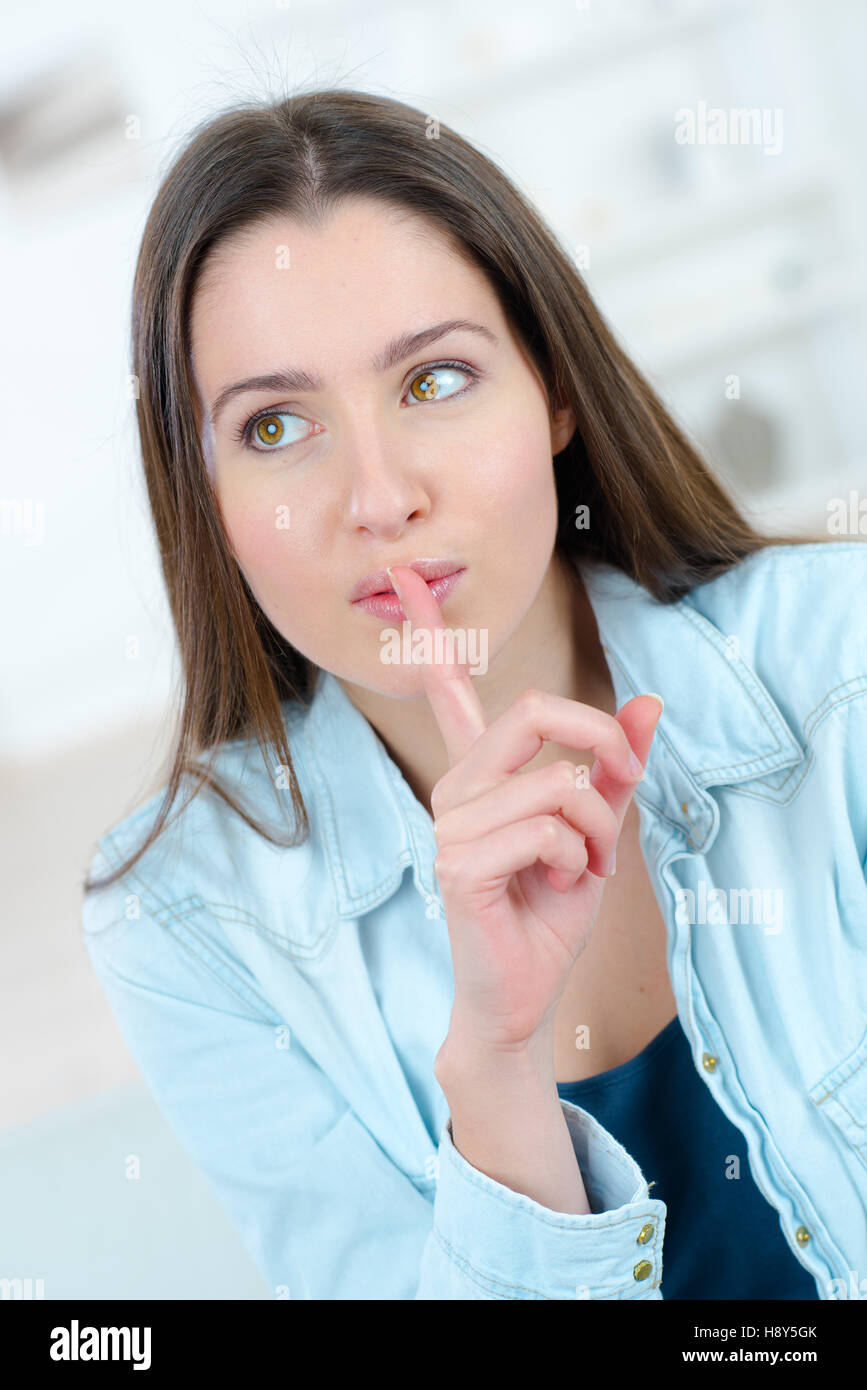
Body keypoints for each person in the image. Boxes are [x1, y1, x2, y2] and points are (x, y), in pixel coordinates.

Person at [81, 88, 867, 1301]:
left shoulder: (843, 664)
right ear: (209, 500)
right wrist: (496, 1072)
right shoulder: (185, 917)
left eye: (434, 381)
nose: (379, 496)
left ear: (553, 389)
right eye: (277, 423)